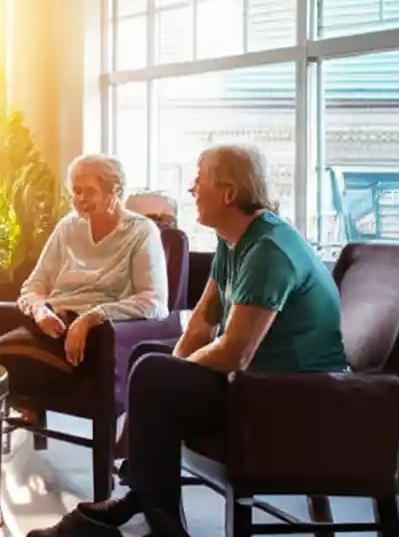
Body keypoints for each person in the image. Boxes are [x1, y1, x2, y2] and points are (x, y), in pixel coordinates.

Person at [33, 144, 348, 537]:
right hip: (254, 381)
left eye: (199, 181)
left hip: (288, 394)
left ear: (230, 193)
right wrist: (162, 373)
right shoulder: (233, 240)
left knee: (154, 369)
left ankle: (151, 513)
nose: (191, 190)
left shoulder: (268, 249)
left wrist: (160, 379)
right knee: (150, 357)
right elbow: (201, 324)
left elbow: (235, 351)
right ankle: (148, 504)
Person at [0, 154, 169, 408]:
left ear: (114, 190)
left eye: (89, 192)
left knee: (6, 360)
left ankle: (26, 395)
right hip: (53, 325)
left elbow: (153, 302)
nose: (80, 200)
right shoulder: (68, 227)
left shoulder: (141, 232)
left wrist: (92, 317)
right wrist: (40, 312)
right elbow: (33, 286)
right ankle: (12, 410)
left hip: (99, 335)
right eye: (77, 192)